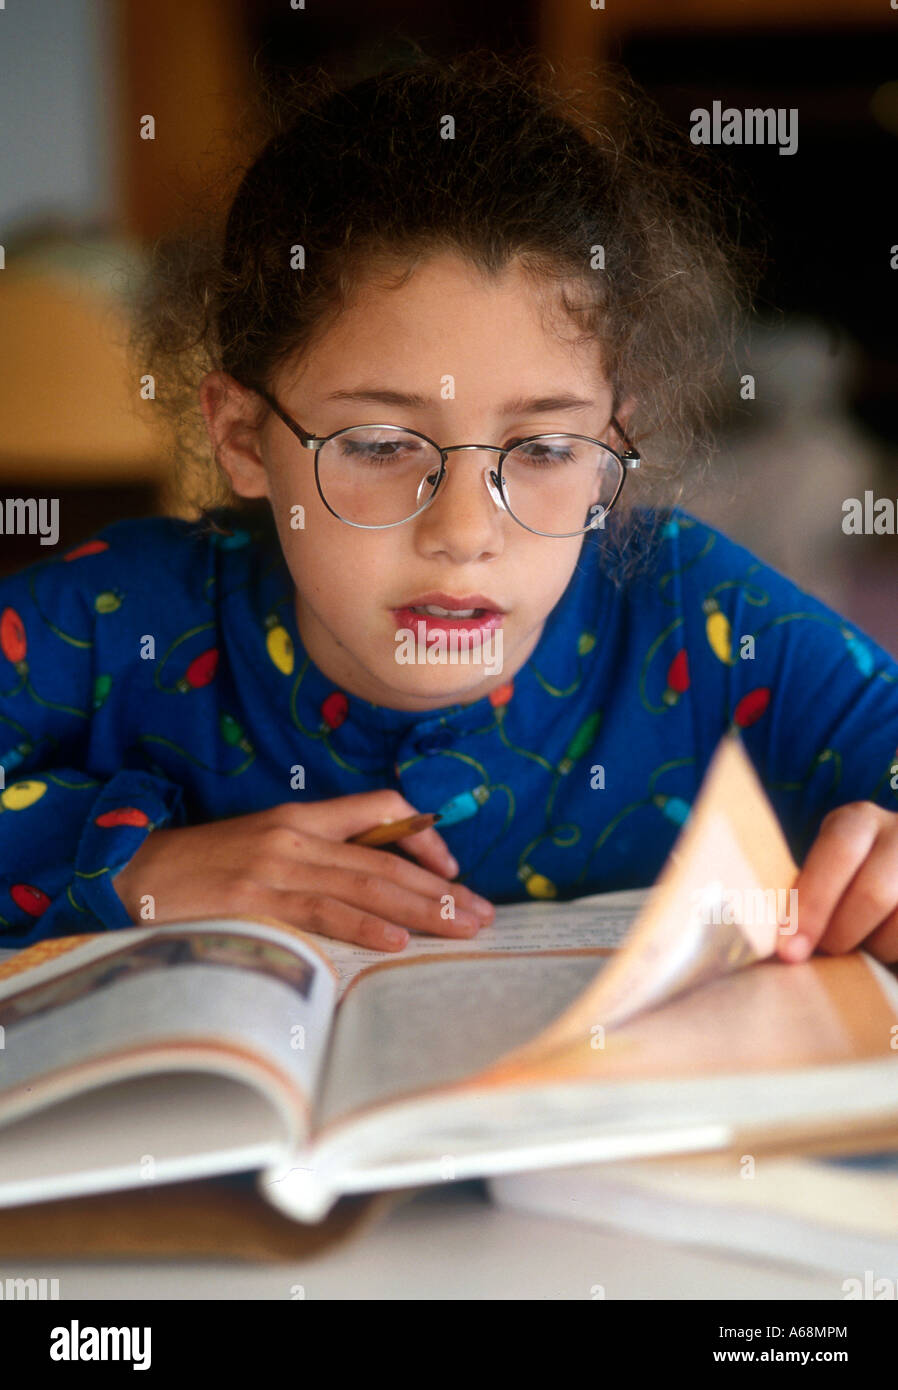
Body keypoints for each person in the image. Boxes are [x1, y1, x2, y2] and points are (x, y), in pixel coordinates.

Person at [1, 50, 896, 964]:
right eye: (382, 447)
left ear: (610, 444)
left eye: (546, 449)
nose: (465, 535)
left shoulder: (694, 611)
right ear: (241, 436)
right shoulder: (124, 616)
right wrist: (142, 868)